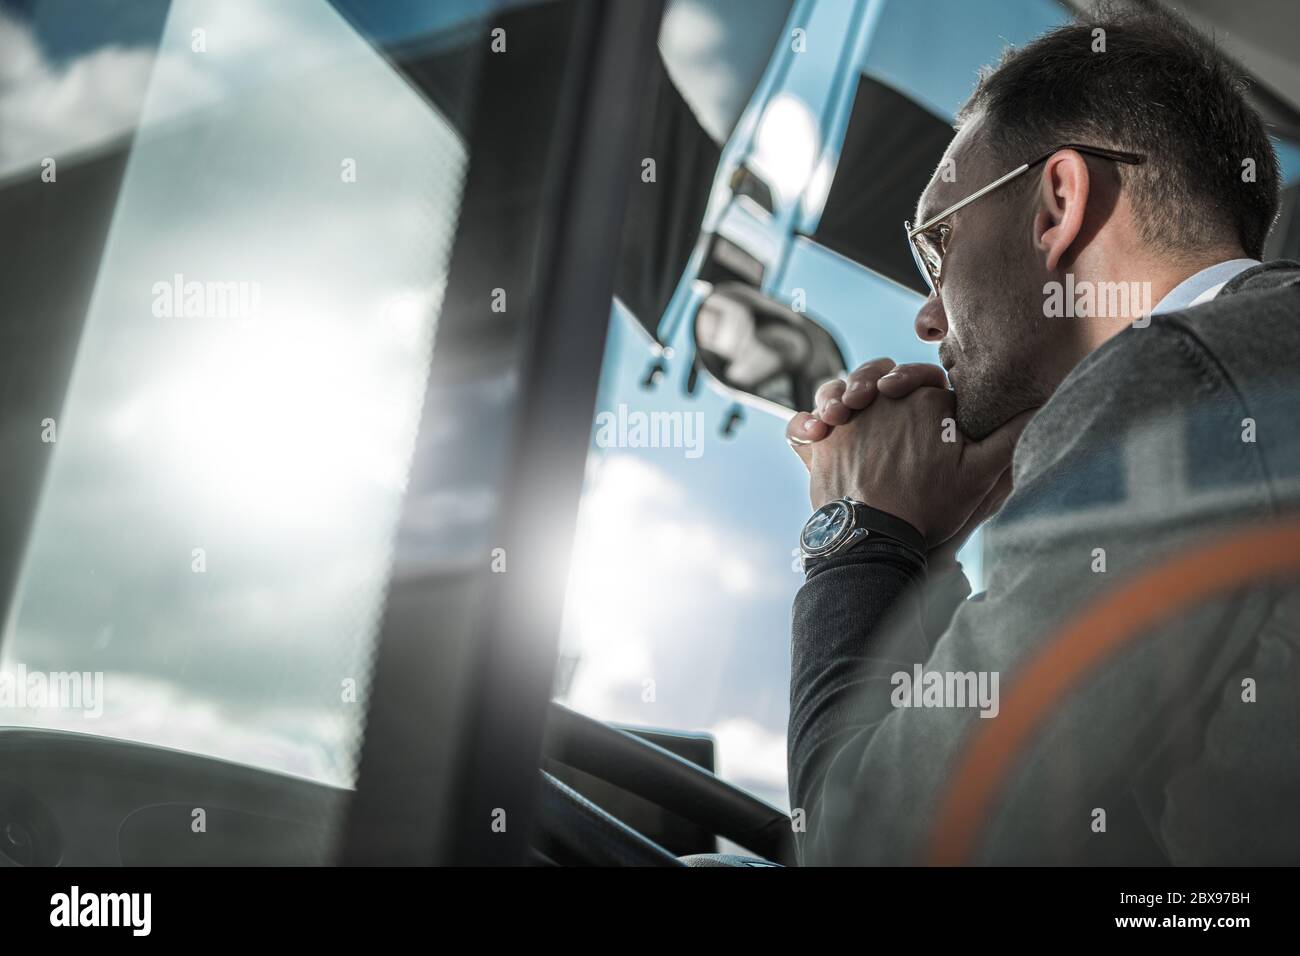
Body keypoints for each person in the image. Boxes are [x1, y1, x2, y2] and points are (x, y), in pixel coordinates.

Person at [783, 4, 1300, 864]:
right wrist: (920, 551)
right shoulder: (1250, 356)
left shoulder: (1174, 380)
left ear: (1058, 204)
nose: (925, 314)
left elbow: (870, 846)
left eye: (937, 239)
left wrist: (859, 532)